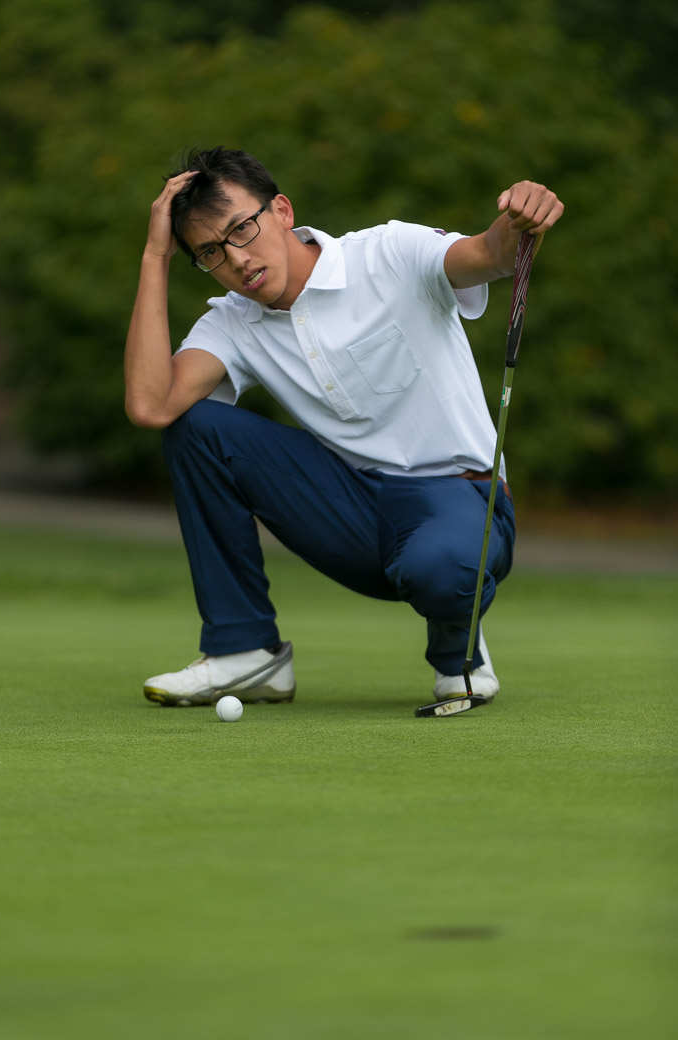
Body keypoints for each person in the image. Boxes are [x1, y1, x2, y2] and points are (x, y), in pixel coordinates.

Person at [124, 146, 563, 708]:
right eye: (209, 251)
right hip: (350, 515)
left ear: (281, 210)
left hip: (459, 504)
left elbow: (491, 254)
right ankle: (245, 652)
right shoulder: (233, 323)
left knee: (441, 566)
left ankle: (460, 649)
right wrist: (155, 256)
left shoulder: (387, 252)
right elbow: (150, 404)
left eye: (241, 230)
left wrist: (520, 217)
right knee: (196, 426)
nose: (234, 259)